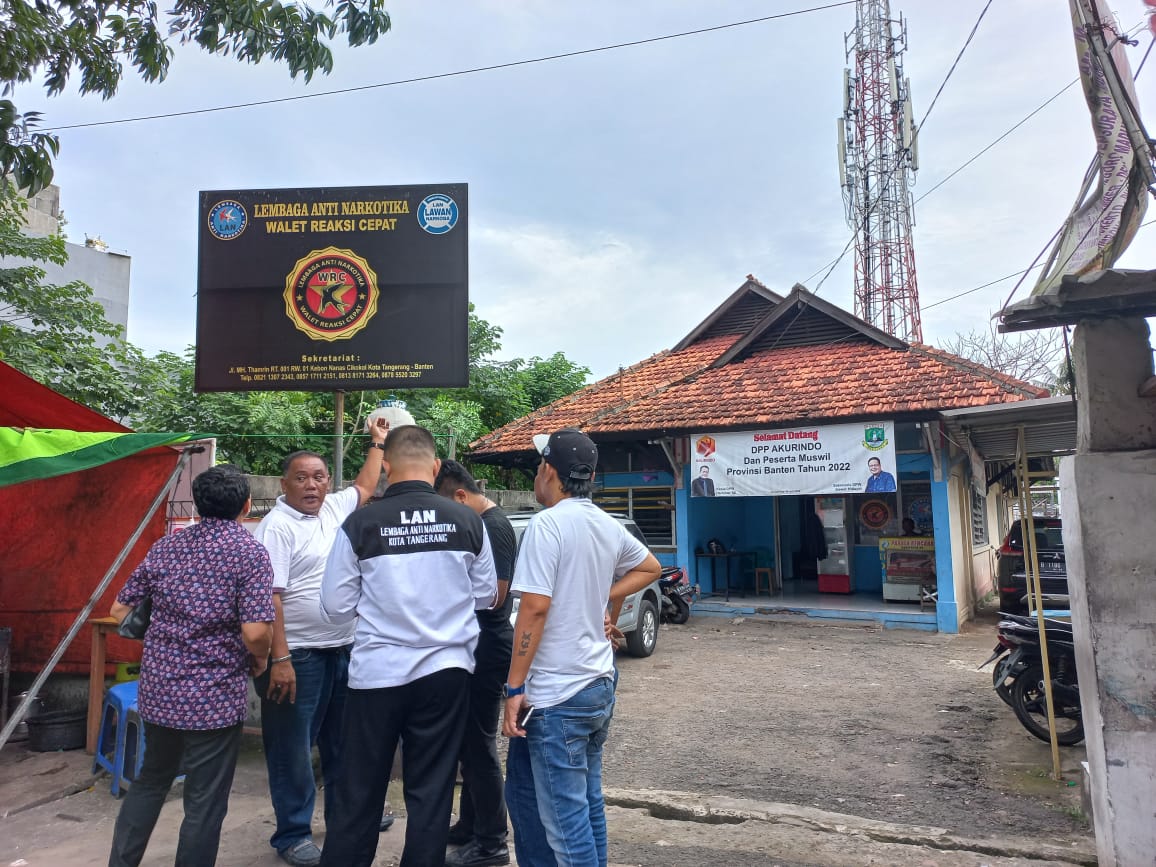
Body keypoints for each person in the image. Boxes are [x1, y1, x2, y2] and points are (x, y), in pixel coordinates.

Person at [317, 425, 498, 867]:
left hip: (377, 675)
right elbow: (487, 596)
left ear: (388, 467)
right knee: (432, 791)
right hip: (446, 674)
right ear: (435, 467)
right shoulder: (468, 521)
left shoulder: (359, 523)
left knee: (359, 789)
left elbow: (334, 607)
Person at [501, 427, 661, 867]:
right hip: (596, 684)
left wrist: (514, 690)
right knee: (585, 804)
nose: (537, 473)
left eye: (539, 464)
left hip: (558, 696)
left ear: (549, 470)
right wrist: (609, 597)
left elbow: (534, 609)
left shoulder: (547, 525)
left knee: (566, 821)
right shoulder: (604, 524)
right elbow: (650, 566)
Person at [108, 465, 274, 867]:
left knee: (150, 781)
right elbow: (255, 634)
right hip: (213, 697)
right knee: (204, 800)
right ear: (246, 506)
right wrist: (262, 657)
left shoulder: (167, 546)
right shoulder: (249, 552)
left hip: (161, 690)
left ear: (198, 505)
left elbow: (119, 610)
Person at [251, 414, 393, 867]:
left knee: (343, 743)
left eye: (318, 477)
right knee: (292, 750)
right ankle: (292, 834)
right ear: (284, 483)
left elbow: (366, 486)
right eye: (301, 478)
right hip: (301, 658)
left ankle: (346, 817)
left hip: (344, 651)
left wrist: (378, 442)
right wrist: (282, 658)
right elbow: (270, 600)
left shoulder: (333, 508)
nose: (311, 485)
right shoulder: (277, 527)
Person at [434, 460, 516, 867]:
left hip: (489, 647)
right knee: (469, 743)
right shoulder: (479, 523)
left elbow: (496, 596)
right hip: (474, 645)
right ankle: (470, 826)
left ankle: (491, 844)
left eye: (446, 507)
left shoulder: (493, 526)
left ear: (461, 497)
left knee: (480, 746)